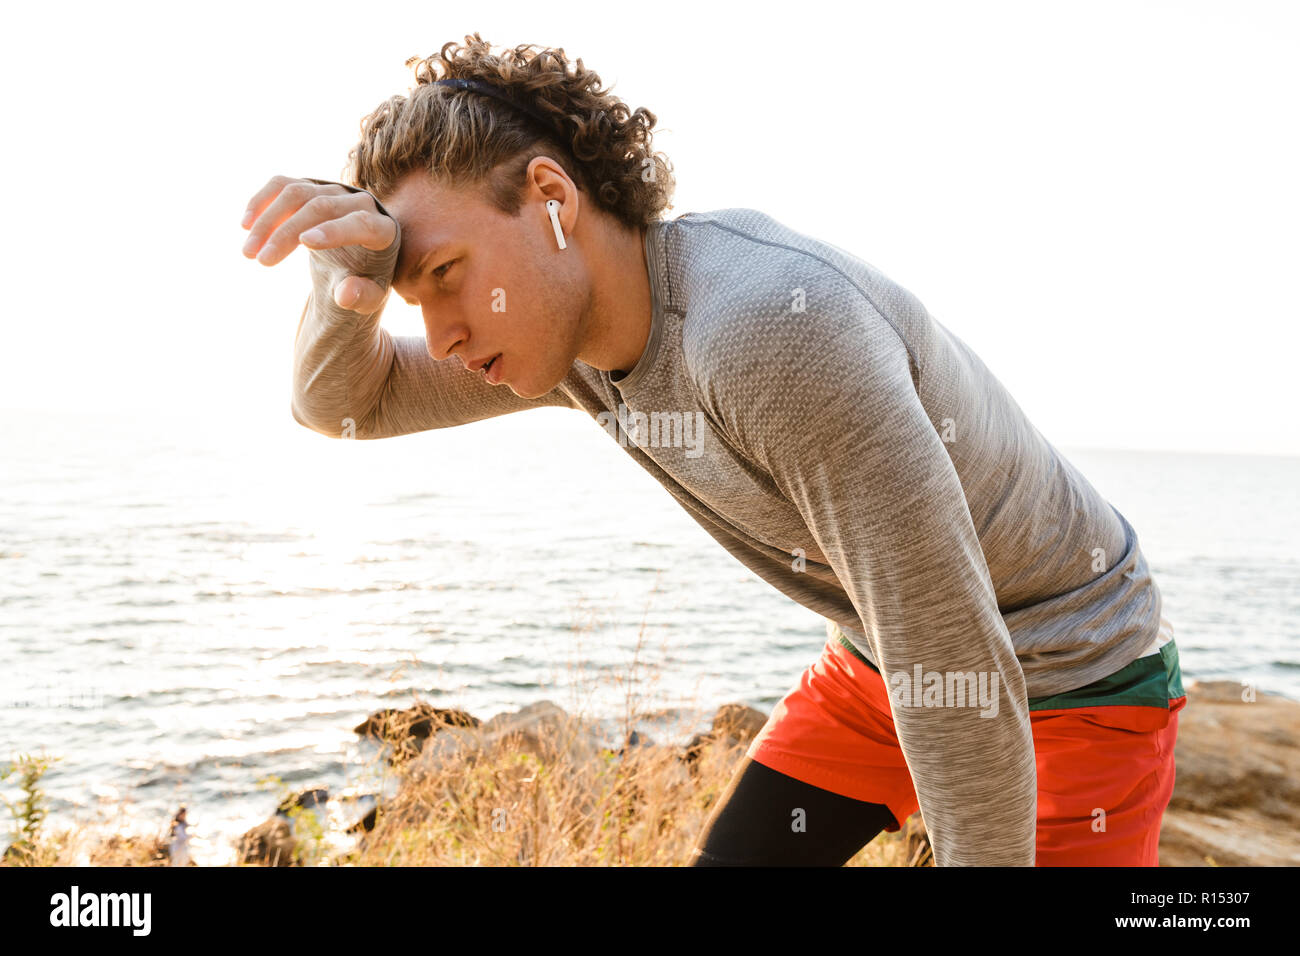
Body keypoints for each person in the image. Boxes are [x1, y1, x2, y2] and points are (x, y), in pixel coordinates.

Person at [240, 33, 1185, 866]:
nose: (442, 333)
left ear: (551, 197)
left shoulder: (767, 334)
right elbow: (343, 407)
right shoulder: (560, 343)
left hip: (1069, 668)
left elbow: (960, 665)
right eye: (419, 299)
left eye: (447, 274)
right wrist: (345, 276)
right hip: (881, 655)